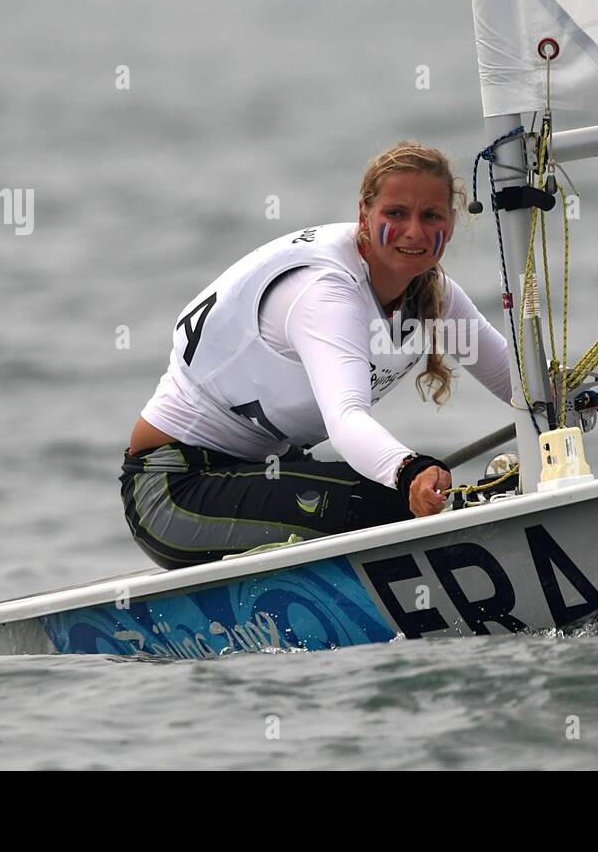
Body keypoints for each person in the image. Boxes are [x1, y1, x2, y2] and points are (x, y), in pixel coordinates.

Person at [121, 142, 513, 568]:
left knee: (393, 501)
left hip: (263, 470)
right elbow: (345, 418)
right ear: (364, 214)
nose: (414, 232)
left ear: (452, 222)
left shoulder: (435, 296)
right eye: (396, 213)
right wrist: (409, 469)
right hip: (173, 493)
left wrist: (574, 394)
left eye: (431, 216)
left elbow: (519, 384)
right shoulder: (326, 292)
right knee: (379, 501)